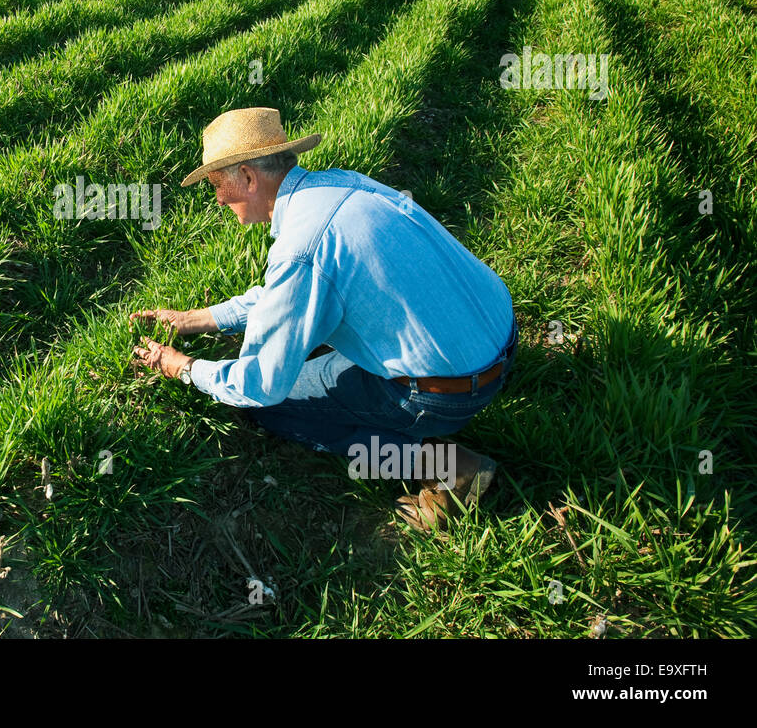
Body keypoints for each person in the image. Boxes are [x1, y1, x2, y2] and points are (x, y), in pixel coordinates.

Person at [131, 107, 517, 531]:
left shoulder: (302, 246)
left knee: (273, 408)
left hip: (450, 392)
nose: (218, 199)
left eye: (216, 183)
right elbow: (288, 295)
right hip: (498, 339)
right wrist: (197, 319)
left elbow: (259, 384)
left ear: (247, 176)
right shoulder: (341, 184)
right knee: (312, 340)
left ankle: (448, 469)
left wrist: (184, 368)